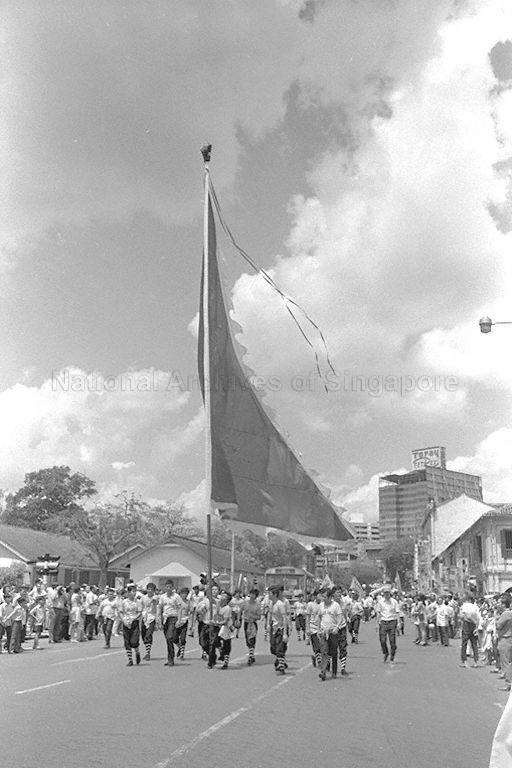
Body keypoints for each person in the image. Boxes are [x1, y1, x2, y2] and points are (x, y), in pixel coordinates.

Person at [318, 588, 343, 681]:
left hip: (333, 632)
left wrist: (337, 627)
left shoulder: (335, 605)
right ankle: (323, 672)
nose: (322, 598)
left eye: (324, 596)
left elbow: (340, 617)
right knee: (324, 651)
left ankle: (334, 671)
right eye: (322, 596)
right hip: (324, 632)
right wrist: (318, 629)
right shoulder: (321, 606)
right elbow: (319, 617)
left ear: (329, 597)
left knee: (333, 652)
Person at [158, 580, 182, 667]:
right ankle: (170, 658)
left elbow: (179, 608)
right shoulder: (162, 597)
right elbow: (160, 608)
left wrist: (179, 620)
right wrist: (159, 620)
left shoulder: (176, 597)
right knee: (168, 640)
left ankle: (171, 659)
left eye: (170, 587)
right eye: (167, 587)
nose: (168, 588)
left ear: (173, 587)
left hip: (173, 618)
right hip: (165, 618)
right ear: (165, 587)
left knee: (169, 637)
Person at [119, 584, 142, 666]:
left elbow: (139, 613)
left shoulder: (138, 602)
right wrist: (124, 620)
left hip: (134, 622)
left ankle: (137, 652)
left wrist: (134, 618)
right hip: (126, 622)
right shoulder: (124, 602)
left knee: (134, 641)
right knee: (127, 641)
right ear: (128, 592)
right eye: (133, 591)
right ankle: (130, 660)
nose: (135, 593)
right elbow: (121, 612)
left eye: (135, 591)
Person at [375, 585, 399, 663]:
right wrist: (376, 623)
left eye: (388, 593)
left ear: (390, 593)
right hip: (383, 622)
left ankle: (392, 655)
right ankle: (386, 652)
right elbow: (378, 613)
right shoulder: (381, 602)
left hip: (392, 621)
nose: (386, 594)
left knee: (392, 641)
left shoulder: (394, 602)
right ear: (383, 594)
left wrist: (399, 623)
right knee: (382, 640)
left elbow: (397, 612)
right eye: (385, 593)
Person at [267, 585, 289, 675]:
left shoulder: (280, 604)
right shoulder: (272, 603)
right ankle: (282, 662)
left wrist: (285, 633)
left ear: (275, 594)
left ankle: (281, 666)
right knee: (273, 647)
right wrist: (268, 625)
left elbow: (284, 618)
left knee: (280, 648)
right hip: (274, 627)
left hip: (281, 628)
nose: (268, 595)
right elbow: (270, 614)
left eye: (270, 593)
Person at [495, 595, 512, 692]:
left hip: (505, 639)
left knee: (505, 662)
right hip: (508, 638)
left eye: (500, 603)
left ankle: (508, 683)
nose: (498, 604)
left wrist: (496, 617)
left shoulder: (506, 614)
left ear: (503, 604)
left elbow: (498, 625)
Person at [459, 594, 480, 668]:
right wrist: (476, 625)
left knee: (464, 643)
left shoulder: (464, 606)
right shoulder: (475, 606)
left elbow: (464, 616)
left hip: (467, 625)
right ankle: (476, 661)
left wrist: (472, 621)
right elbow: (478, 617)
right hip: (474, 626)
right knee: (474, 644)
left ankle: (464, 661)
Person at [243, 588, 261, 665]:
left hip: (253, 624)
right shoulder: (245, 603)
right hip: (246, 623)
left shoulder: (257, 605)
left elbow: (259, 617)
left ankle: (251, 655)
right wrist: (237, 620)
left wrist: (253, 617)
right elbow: (240, 611)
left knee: (252, 639)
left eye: (253, 595)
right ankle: (251, 654)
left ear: (256, 596)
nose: (251, 596)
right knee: (247, 640)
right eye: (251, 594)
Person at [141, 583, 159, 661]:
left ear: (154, 591)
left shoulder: (155, 597)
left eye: (151, 589)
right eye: (148, 589)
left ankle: (148, 653)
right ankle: (147, 650)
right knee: (143, 635)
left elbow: (156, 602)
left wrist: (153, 600)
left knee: (148, 635)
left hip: (152, 617)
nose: (150, 591)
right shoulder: (143, 598)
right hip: (144, 617)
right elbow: (141, 606)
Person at [306, 591, 323, 668]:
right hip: (313, 628)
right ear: (316, 596)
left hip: (322, 629)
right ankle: (319, 662)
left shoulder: (323, 605)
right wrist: (308, 629)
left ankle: (315, 657)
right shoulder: (310, 605)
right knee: (317, 646)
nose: (321, 597)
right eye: (320, 595)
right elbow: (307, 617)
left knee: (323, 647)